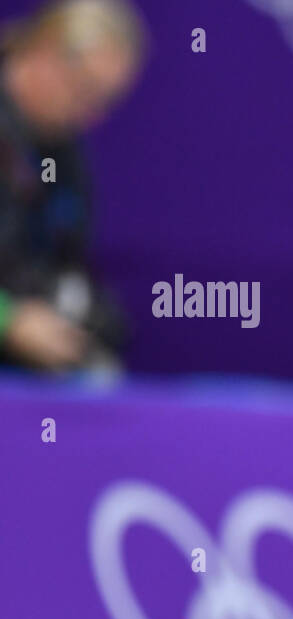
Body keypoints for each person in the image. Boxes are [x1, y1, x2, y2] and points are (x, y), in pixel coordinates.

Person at [0, 0, 144, 374]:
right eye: (87, 89)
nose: (94, 114)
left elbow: (62, 261)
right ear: (45, 55)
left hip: (28, 364)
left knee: (99, 376)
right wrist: (8, 320)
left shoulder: (62, 153)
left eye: (106, 99)